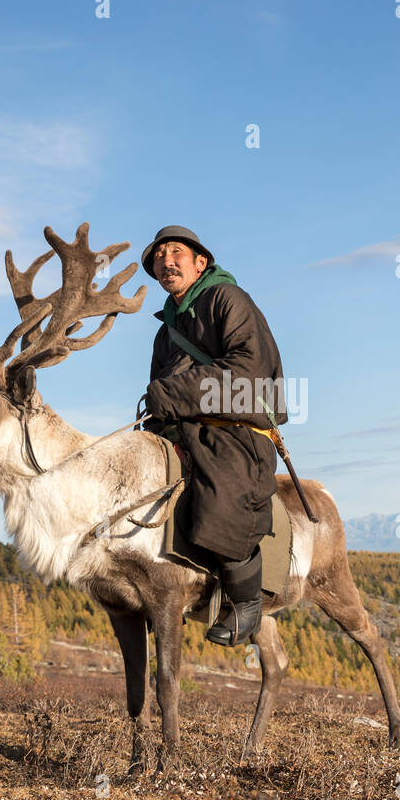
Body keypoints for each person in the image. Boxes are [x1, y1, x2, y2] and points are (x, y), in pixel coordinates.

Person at [140, 225, 288, 647]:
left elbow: (248, 372)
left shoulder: (228, 299)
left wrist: (174, 394)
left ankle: (245, 603)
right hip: (185, 429)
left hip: (237, 430)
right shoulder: (164, 331)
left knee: (221, 494)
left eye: (176, 252)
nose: (166, 261)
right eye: (158, 257)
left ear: (200, 262)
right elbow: (160, 393)